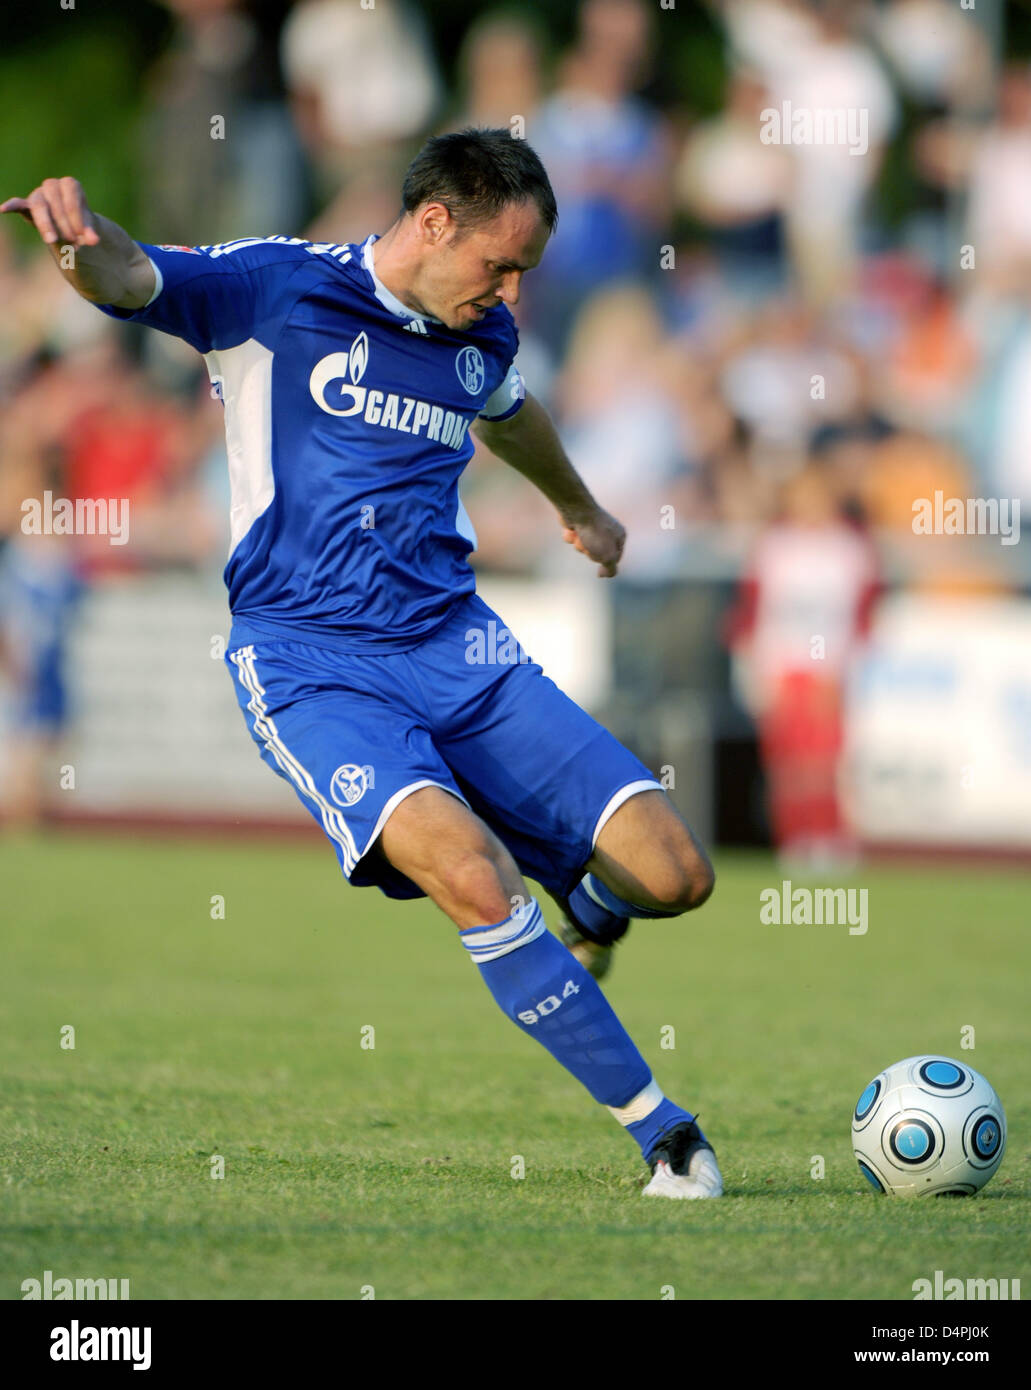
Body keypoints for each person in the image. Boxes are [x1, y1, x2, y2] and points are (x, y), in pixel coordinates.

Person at [2, 130, 720, 1198]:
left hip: (459, 649)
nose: (512, 290)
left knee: (677, 875)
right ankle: (666, 1136)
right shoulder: (276, 289)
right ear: (434, 223)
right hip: (310, 664)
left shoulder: (482, 333)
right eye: (500, 264)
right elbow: (130, 273)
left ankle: (594, 904)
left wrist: (579, 508)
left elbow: (507, 416)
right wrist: (75, 238)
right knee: (472, 873)